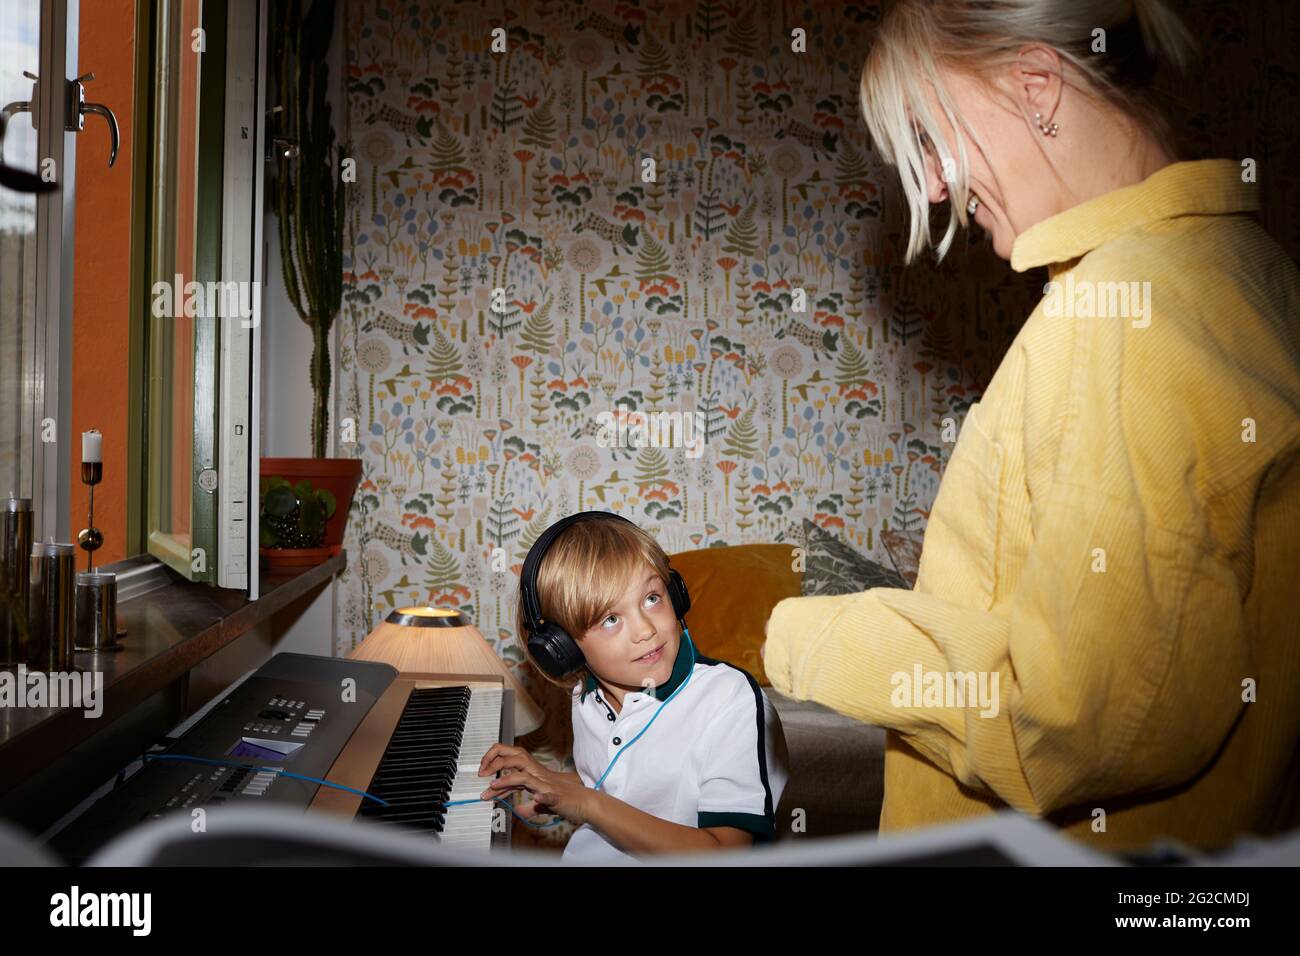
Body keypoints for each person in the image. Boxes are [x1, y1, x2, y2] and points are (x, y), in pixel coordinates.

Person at [762, 0, 1300, 851]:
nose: (933, 185)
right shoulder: (1253, 272)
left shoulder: (1122, 317)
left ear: (1037, 87)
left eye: (929, 134)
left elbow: (1081, 718)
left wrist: (800, 634)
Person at [481, 511, 788, 862]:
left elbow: (724, 854)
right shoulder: (586, 694)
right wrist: (549, 783)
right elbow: (614, 787)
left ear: (675, 594)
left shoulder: (730, 701)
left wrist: (587, 804)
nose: (645, 630)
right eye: (611, 619)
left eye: (652, 599)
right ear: (562, 648)